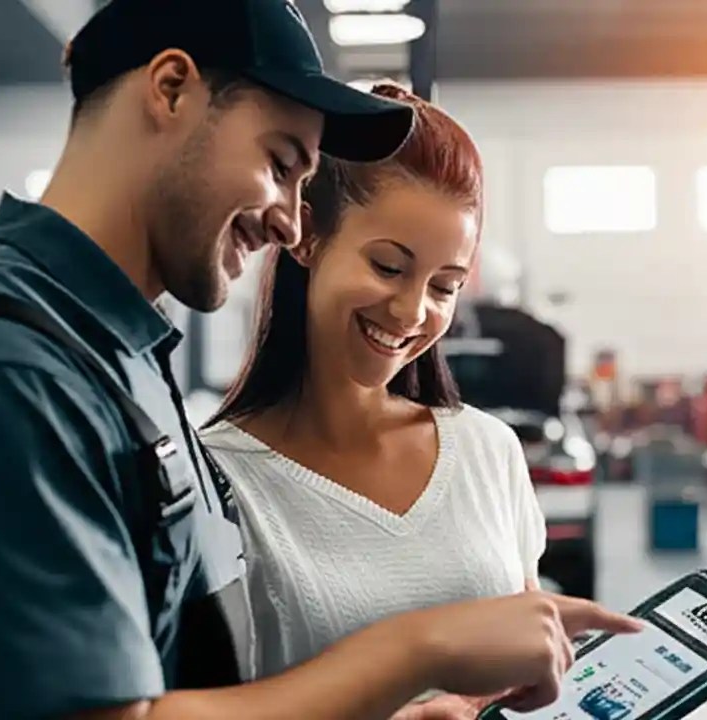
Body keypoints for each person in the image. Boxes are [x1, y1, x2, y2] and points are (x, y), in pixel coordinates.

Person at [0, 1, 638, 719]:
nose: (289, 219)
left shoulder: (122, 361)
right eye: (280, 163)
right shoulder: (10, 369)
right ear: (172, 89)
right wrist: (417, 650)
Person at [199, 83, 545, 719]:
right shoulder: (219, 482)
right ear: (305, 235)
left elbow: (525, 669)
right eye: (389, 267)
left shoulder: (488, 454)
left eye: (445, 286)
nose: (413, 312)